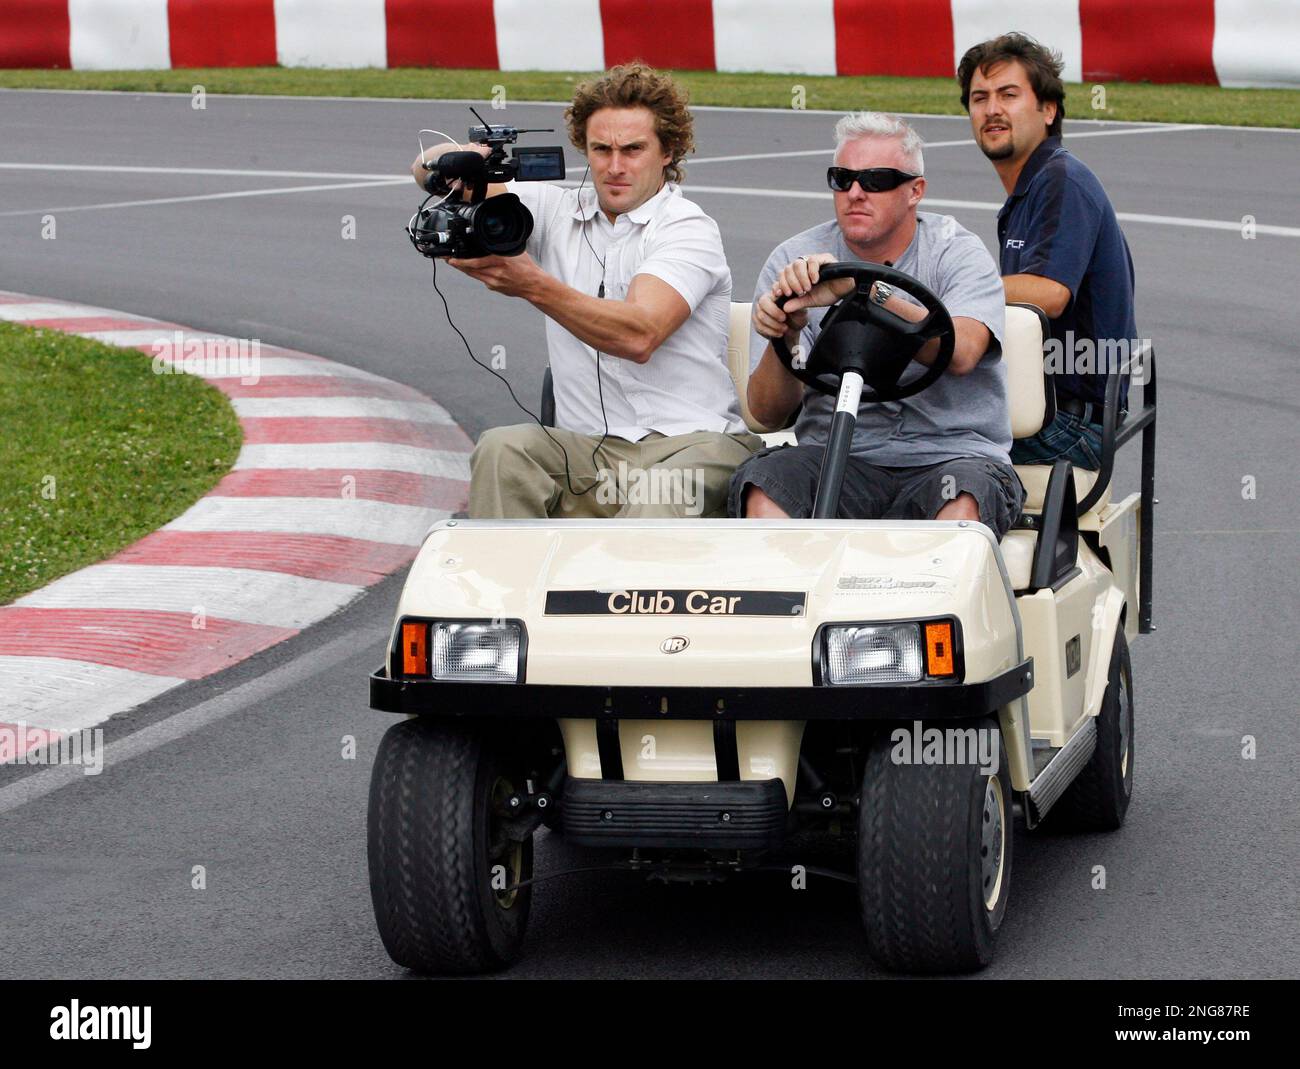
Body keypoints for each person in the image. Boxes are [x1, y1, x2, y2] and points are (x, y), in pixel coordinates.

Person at [410, 62, 760, 518]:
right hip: (589, 451)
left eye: (633, 149)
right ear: (585, 149)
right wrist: (469, 158)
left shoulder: (687, 228)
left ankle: (618, 590)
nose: (615, 167)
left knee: (659, 494)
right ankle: (514, 589)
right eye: (601, 150)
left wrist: (535, 287)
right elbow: (421, 170)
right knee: (502, 449)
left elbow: (639, 336)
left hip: (693, 446)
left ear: (668, 151)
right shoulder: (554, 211)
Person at [729, 112, 1023, 539]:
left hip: (948, 457)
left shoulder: (956, 252)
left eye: (876, 179)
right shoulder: (793, 259)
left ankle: (926, 607)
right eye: (842, 178)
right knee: (764, 487)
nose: (855, 193)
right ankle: (800, 602)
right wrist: (784, 334)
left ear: (914, 191)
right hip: (836, 459)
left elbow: (961, 352)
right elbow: (767, 414)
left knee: (963, 500)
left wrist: (864, 290)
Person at [959, 32, 1138, 470]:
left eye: (1009, 94)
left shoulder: (1061, 182)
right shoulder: (1030, 191)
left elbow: (1049, 292)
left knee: (908, 446)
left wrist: (949, 293)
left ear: (1048, 109)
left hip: (1073, 426)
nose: (992, 109)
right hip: (1047, 409)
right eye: (979, 98)